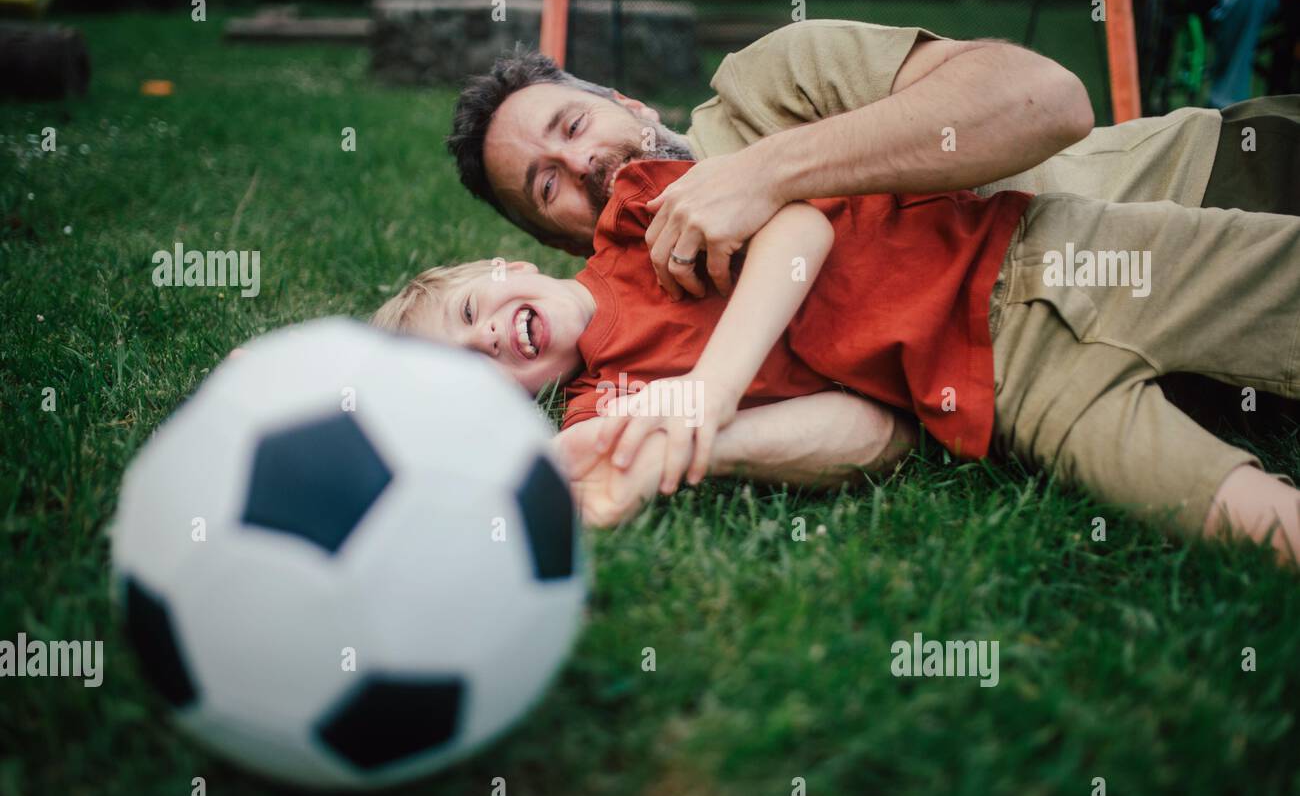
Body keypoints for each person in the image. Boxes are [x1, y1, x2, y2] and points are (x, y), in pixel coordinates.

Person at [375, 159, 1300, 564]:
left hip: (1033, 253)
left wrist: (709, 389)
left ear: (499, 267)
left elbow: (795, 228)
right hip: (1010, 398)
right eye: (470, 371)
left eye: (467, 312)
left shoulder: (635, 222)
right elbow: (877, 436)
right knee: (1259, 528)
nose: (488, 338)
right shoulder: (601, 413)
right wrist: (687, 448)